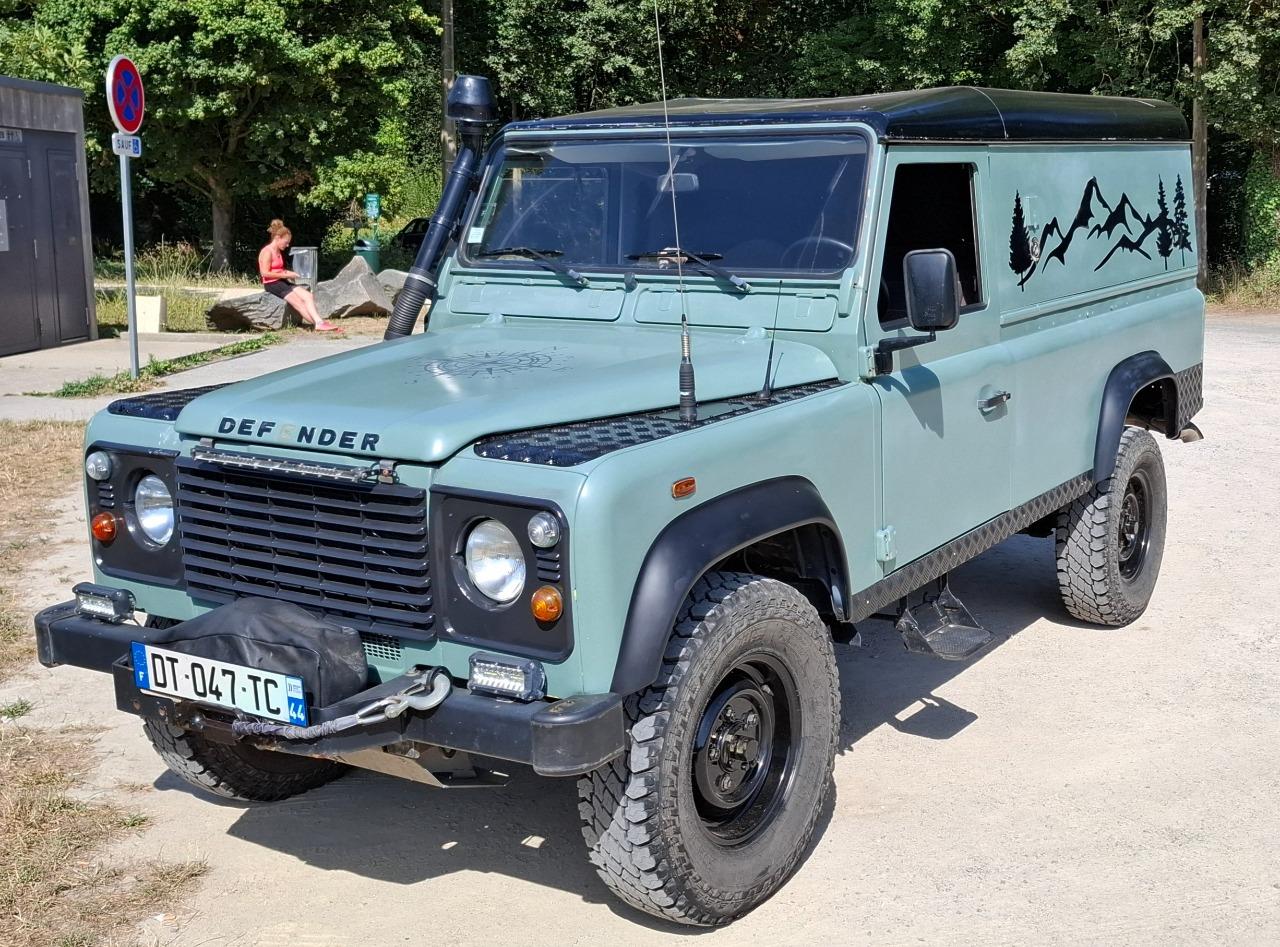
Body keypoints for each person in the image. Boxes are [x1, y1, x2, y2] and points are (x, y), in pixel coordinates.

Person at [258, 220, 340, 332]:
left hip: (281, 281)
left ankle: (319, 321)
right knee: (299, 302)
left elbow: (278, 270)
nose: (287, 245)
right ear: (278, 238)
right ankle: (317, 323)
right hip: (272, 284)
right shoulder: (267, 251)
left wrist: (289, 273)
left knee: (308, 296)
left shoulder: (277, 251)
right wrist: (284, 274)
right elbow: (264, 273)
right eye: (286, 242)